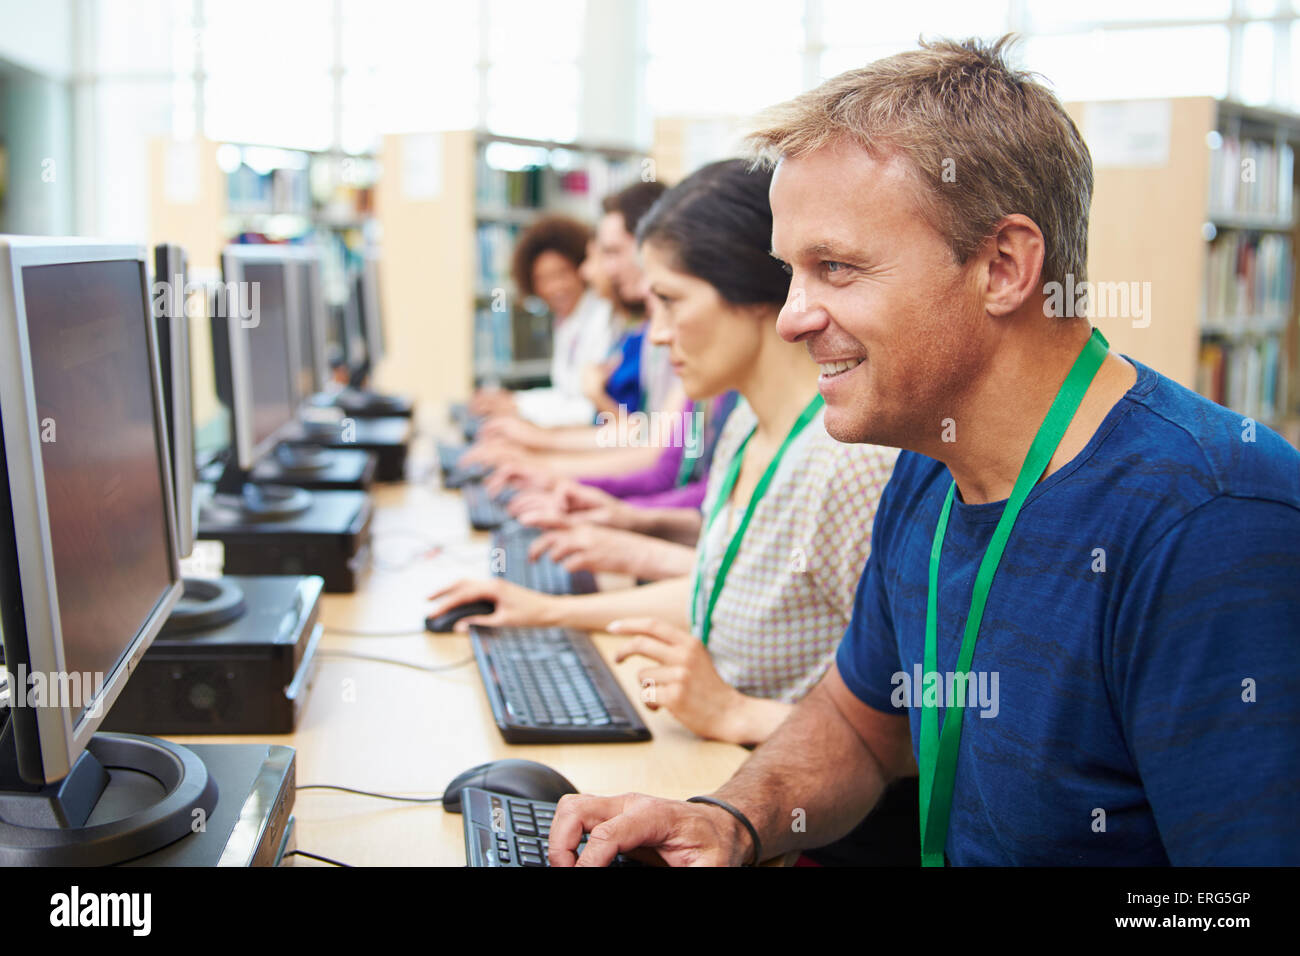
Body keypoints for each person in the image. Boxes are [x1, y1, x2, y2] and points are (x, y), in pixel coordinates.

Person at [548, 36, 1300, 867]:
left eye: (835, 267)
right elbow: (858, 727)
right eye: (791, 272)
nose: (793, 316)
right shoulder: (928, 466)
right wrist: (731, 820)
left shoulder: (1215, 524)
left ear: (1004, 267)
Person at [429, 159, 900, 747]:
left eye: (671, 301)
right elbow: (716, 595)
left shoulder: (848, 465)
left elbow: (910, 735)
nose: (654, 333)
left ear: (751, 294)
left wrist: (734, 713)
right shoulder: (747, 427)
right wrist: (542, 610)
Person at [469, 216, 613, 427]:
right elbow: (565, 394)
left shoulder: (602, 317)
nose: (555, 288)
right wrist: (513, 400)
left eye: (561, 273)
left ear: (580, 270)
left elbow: (588, 409)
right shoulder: (567, 321)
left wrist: (520, 407)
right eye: (543, 278)